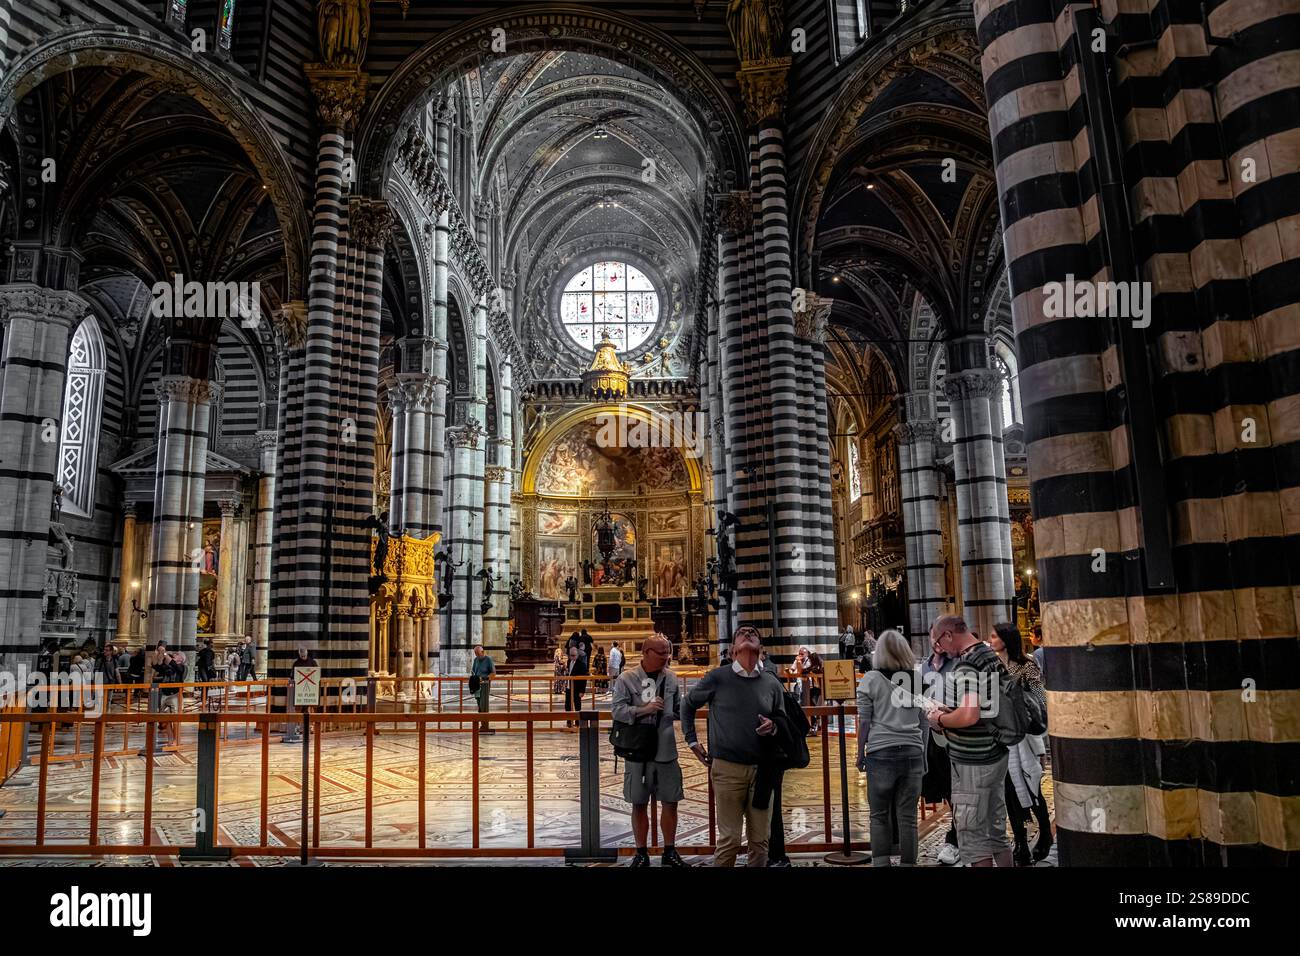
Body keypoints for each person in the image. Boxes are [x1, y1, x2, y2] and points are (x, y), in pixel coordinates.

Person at [681, 625, 786, 866]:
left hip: (763, 770)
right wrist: (692, 740)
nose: (748, 634)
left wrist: (774, 726)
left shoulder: (770, 681)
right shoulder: (718, 677)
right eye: (742, 633)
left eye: (753, 633)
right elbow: (687, 704)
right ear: (731, 650)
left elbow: (783, 718)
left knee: (760, 840)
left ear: (761, 648)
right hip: (727, 769)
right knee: (729, 839)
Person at [926, 614, 1011, 867]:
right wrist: (951, 709)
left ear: (949, 634)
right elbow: (984, 708)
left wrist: (939, 719)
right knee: (996, 830)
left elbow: (969, 715)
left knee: (972, 835)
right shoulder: (989, 656)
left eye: (939, 643)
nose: (940, 649)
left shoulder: (968, 665)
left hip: (974, 761)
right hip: (995, 753)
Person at [612, 634, 687, 867]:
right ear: (645, 653)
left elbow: (677, 709)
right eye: (661, 653)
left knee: (671, 801)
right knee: (639, 802)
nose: (666, 657)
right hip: (638, 750)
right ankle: (641, 852)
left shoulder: (672, 678)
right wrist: (643, 710)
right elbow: (617, 711)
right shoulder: (627, 679)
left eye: (668, 653)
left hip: (666, 748)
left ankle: (670, 851)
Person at [856, 630, 927, 866]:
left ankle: (881, 862)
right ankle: (908, 863)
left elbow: (864, 721)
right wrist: (923, 754)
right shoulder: (916, 679)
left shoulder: (871, 679)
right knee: (908, 817)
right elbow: (924, 721)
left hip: (881, 752)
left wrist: (860, 754)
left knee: (879, 816)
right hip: (912, 752)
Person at [990, 622, 1052, 864]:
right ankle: (1020, 842)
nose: (991, 640)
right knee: (1008, 791)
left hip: (1025, 737)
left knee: (1031, 787)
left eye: (994, 636)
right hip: (1002, 738)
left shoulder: (1026, 665)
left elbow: (1040, 699)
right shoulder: (993, 667)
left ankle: (1046, 834)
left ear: (1006, 639)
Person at [920, 634, 960, 865]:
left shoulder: (959, 666)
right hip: (933, 738)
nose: (937, 642)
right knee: (946, 789)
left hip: (957, 734)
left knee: (958, 791)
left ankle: (955, 839)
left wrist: (948, 711)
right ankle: (956, 836)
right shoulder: (922, 668)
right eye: (934, 636)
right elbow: (915, 698)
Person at [470, 645, 496, 734]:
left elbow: (493, 673)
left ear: (483, 652)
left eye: (478, 653)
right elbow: (473, 671)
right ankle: (482, 725)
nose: (477, 655)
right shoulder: (475, 660)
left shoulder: (488, 660)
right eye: (475, 654)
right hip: (477, 685)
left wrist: (484, 678)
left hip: (484, 685)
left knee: (484, 705)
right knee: (479, 704)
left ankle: (485, 725)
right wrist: (474, 678)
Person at [563, 645, 588, 726]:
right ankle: (569, 721)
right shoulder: (569, 661)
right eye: (570, 655)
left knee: (577, 705)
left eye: (573, 655)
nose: (571, 657)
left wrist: (582, 691)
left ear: (577, 655)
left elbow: (584, 679)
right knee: (567, 705)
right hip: (569, 686)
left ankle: (577, 721)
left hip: (577, 688)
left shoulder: (582, 664)